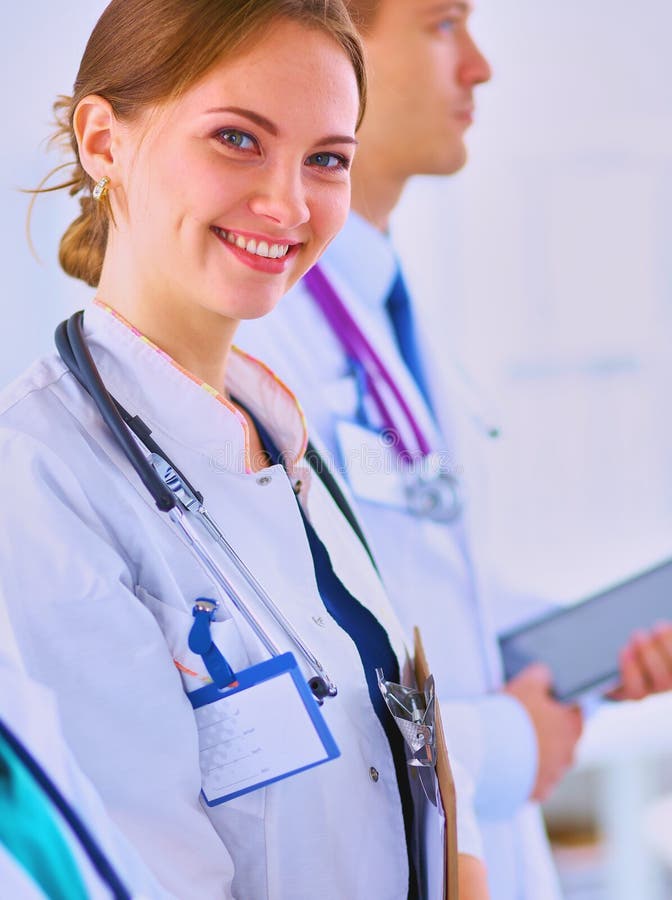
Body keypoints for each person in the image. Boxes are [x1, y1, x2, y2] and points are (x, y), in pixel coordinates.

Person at [0, 1, 486, 897]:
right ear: (104, 142)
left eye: (328, 159)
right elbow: (140, 872)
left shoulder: (282, 445)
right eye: (236, 138)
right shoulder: (36, 478)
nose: (290, 204)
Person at [236, 1, 672, 897]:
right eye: (444, 25)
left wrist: (585, 661)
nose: (479, 67)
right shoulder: (254, 341)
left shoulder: (380, 301)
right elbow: (286, 712)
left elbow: (425, 593)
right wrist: (510, 742)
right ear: (336, 47)